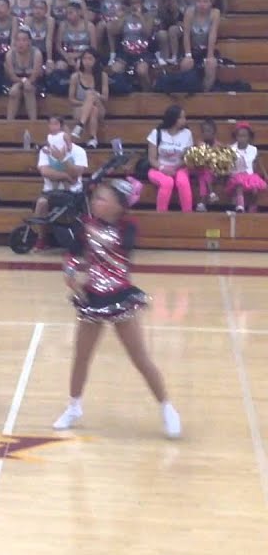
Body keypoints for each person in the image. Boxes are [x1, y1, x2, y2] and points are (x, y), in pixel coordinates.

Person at [53, 180, 181, 438]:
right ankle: (74, 406)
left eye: (103, 199)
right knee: (81, 356)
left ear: (119, 206)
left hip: (120, 295)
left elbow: (119, 244)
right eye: (96, 198)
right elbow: (73, 254)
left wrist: (89, 230)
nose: (97, 202)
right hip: (91, 296)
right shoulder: (86, 226)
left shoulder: (127, 228)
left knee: (139, 357)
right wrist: (70, 272)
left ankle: (167, 407)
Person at [35, 116, 88, 248]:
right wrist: (65, 175)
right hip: (50, 191)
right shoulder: (46, 150)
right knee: (41, 203)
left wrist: (63, 159)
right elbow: (45, 171)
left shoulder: (79, 151)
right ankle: (42, 238)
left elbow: (77, 173)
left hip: (72, 192)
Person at [146, 104, 194, 212]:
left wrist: (175, 167)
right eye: (182, 117)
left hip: (179, 167)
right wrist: (163, 168)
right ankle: (161, 215)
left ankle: (188, 214)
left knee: (182, 182)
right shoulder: (156, 133)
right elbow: (152, 159)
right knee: (167, 182)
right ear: (174, 119)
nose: (185, 120)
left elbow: (187, 157)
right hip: (158, 168)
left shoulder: (187, 134)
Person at [180, 0, 221, 93]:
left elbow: (212, 34)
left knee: (211, 65)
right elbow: (186, 34)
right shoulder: (189, 12)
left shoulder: (215, 13)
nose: (202, 4)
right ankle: (188, 92)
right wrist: (188, 55)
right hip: (192, 49)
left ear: (211, 3)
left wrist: (210, 55)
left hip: (206, 49)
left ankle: (205, 93)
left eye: (205, 1)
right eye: (199, 1)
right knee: (186, 64)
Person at [68, 49, 108, 148]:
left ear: (96, 61)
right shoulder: (75, 77)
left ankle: (80, 126)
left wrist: (95, 96)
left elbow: (105, 98)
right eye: (84, 58)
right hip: (80, 108)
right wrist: (86, 104)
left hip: (99, 106)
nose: (87, 61)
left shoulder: (102, 76)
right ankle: (92, 138)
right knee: (93, 110)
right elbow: (71, 99)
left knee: (91, 95)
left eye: (90, 59)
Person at [5, 26, 43, 121]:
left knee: (28, 88)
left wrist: (26, 82)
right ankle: (9, 123)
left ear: (30, 42)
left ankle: (33, 122)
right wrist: (21, 82)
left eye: (24, 40)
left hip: (34, 82)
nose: (20, 43)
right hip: (15, 81)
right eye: (18, 40)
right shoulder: (10, 55)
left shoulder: (36, 54)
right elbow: (12, 76)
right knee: (14, 92)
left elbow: (35, 75)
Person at [228, 121, 265, 213]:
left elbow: (255, 165)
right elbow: (229, 164)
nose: (242, 138)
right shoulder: (232, 149)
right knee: (239, 184)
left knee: (254, 189)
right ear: (236, 137)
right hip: (236, 175)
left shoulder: (253, 149)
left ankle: (252, 209)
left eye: (244, 136)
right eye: (240, 136)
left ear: (249, 137)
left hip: (249, 176)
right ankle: (240, 205)